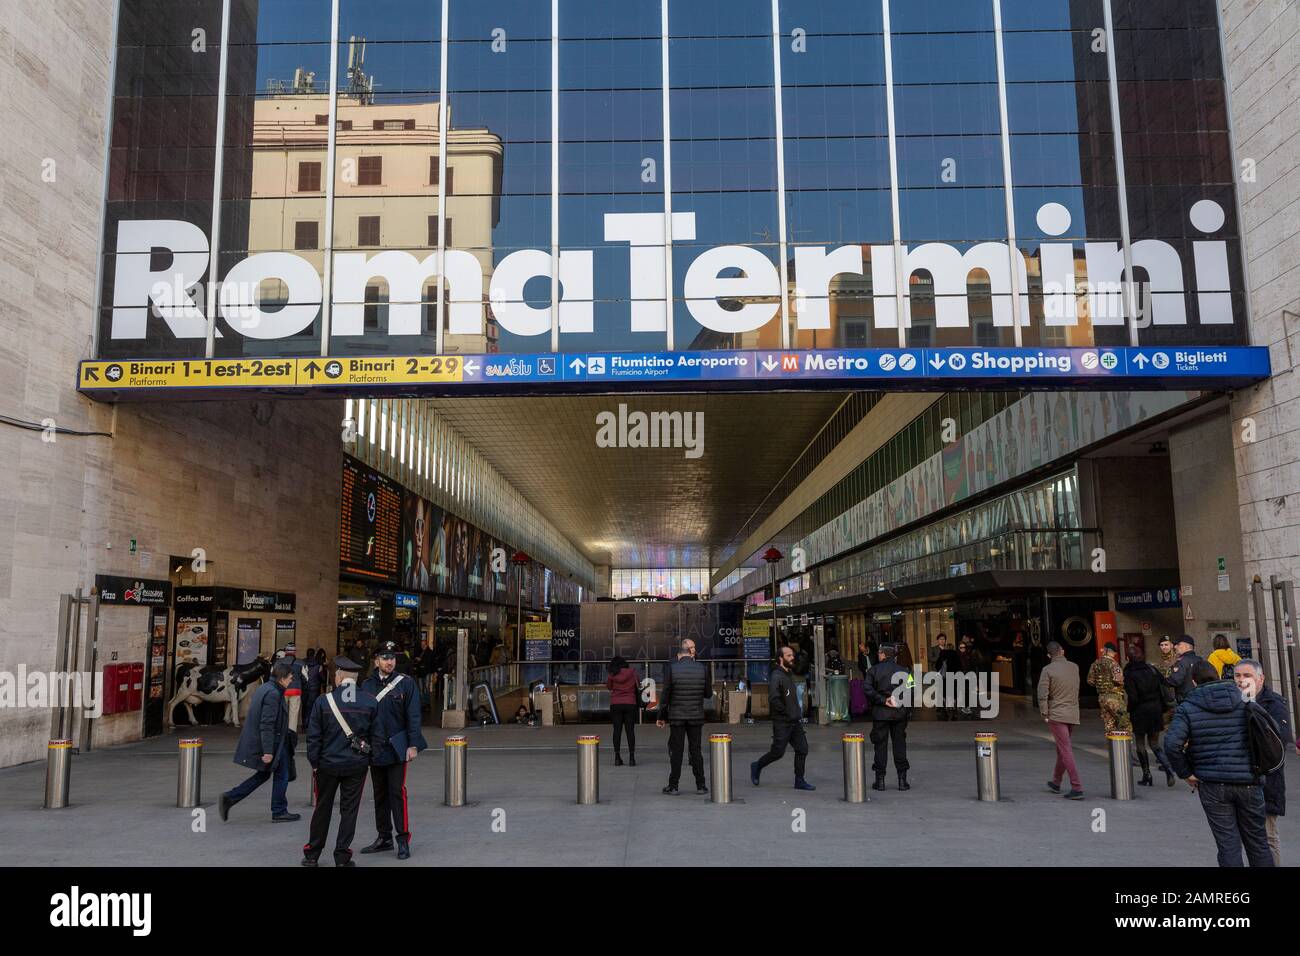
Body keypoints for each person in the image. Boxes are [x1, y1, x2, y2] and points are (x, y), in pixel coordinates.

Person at [1164, 659, 1274, 867]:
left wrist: (1186, 773)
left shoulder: (1188, 707)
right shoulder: (1245, 699)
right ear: (1219, 676)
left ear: (1194, 682)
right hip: (1249, 780)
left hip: (1212, 784)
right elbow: (1270, 732)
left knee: (1228, 845)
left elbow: (1171, 745)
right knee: (1258, 843)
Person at [302, 655, 377, 867]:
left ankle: (312, 855)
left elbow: (313, 737)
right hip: (356, 765)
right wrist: (368, 759)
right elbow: (376, 736)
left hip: (327, 764)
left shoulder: (323, 701)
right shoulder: (370, 701)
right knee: (349, 811)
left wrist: (314, 763)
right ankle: (342, 857)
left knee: (322, 809)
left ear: (340, 676)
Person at [358, 641, 428, 860]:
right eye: (385, 658)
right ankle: (384, 837)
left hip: (397, 747)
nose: (389, 662)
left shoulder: (406, 683)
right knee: (379, 795)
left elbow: (414, 716)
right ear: (376, 660)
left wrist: (413, 744)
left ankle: (402, 839)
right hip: (375, 748)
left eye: (392, 658)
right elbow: (361, 716)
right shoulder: (367, 685)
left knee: (397, 794)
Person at [220, 660, 299, 822]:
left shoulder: (266, 688)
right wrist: (268, 751)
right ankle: (279, 811)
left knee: (263, 775)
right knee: (282, 775)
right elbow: (267, 724)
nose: (291, 681)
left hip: (274, 741)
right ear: (282, 678)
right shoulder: (273, 694)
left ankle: (230, 797)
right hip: (275, 743)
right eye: (290, 678)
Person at [1234, 659, 1293, 864]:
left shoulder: (1274, 703)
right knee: (1237, 841)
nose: (1242, 680)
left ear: (1261, 678)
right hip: (1237, 780)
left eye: (1247, 675)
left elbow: (1280, 739)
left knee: (1267, 837)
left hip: (1265, 781)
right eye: (1238, 676)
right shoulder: (1232, 701)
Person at [750, 645, 815, 791]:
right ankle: (757, 765)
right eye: (789, 656)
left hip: (794, 721)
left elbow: (800, 669)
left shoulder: (788, 673)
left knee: (802, 749)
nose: (792, 658)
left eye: (792, 655)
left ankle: (799, 780)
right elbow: (774, 699)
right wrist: (786, 713)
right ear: (781, 659)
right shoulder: (776, 676)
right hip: (782, 721)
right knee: (777, 752)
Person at [656, 638, 709, 795]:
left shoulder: (673, 668)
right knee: (696, 751)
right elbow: (707, 694)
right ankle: (701, 785)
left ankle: (673, 786)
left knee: (677, 751)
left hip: (677, 717)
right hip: (696, 716)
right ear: (689, 654)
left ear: (679, 655)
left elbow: (665, 695)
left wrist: (661, 717)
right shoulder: (702, 668)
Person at [1123, 644, 1174, 787]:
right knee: (1154, 743)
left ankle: (1147, 775)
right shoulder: (1152, 669)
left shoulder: (1129, 673)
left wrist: (1129, 709)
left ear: (1129, 658)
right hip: (1155, 709)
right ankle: (1168, 770)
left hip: (1140, 712)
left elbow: (1133, 697)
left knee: (1140, 743)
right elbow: (1165, 683)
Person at [863, 644, 912, 791]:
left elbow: (867, 689)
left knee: (880, 746)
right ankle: (902, 781)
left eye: (879, 653)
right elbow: (911, 692)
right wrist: (902, 706)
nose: (878, 655)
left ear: (884, 654)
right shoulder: (904, 670)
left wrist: (882, 700)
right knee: (900, 745)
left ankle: (880, 781)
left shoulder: (874, 670)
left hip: (880, 714)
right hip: (899, 714)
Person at [1038, 641, 1083, 800]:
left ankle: (1076, 786)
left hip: (1056, 713)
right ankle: (1056, 782)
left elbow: (1042, 693)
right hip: (1072, 712)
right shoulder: (1074, 667)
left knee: (1065, 750)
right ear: (1062, 651)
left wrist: (1044, 713)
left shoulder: (1047, 670)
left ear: (1049, 655)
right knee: (1062, 749)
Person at [1087, 643, 1132, 737]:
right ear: (1110, 652)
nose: (1114, 655)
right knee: (1125, 721)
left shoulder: (1095, 663)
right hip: (1114, 697)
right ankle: (1126, 745)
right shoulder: (1114, 664)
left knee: (1109, 723)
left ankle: (1112, 747)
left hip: (1102, 697)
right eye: (1114, 653)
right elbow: (1119, 680)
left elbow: (1090, 681)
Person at [606, 655, 641, 766]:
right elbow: (638, 685)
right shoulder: (633, 672)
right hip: (630, 703)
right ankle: (632, 758)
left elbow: (609, 687)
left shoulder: (612, 674)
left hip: (616, 704)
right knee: (630, 730)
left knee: (617, 730)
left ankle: (617, 757)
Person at [1163, 634, 1202, 705]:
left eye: (1178, 644)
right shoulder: (1200, 660)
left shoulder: (1182, 661)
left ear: (1186, 646)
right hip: (1200, 698)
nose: (1175, 647)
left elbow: (1175, 680)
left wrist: (1162, 681)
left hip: (1186, 700)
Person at [934, 638, 963, 721]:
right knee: (954, 695)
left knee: (944, 694)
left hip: (944, 678)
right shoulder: (956, 655)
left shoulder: (942, 655)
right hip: (954, 677)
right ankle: (954, 712)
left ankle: (945, 712)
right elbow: (960, 667)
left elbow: (937, 666)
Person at [1154, 635, 1178, 729]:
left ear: (1172, 645)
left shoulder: (1177, 659)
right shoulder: (1161, 662)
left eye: (1166, 644)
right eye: (1162, 645)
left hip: (1176, 697)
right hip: (1165, 698)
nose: (1164, 647)